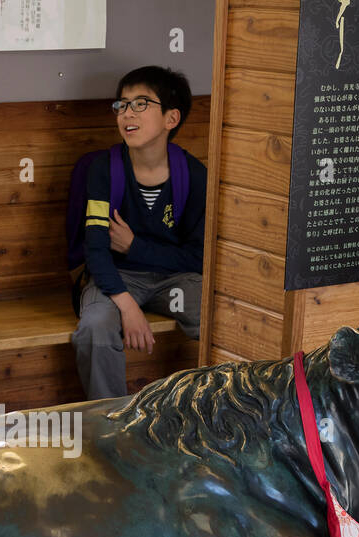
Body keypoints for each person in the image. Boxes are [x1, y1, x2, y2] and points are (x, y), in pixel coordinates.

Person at [73, 65, 208, 400]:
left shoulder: (193, 175)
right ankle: (112, 426)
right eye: (122, 104)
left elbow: (198, 256)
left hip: (175, 279)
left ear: (171, 119)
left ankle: (217, 411)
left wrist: (135, 246)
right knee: (95, 328)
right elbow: (96, 248)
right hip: (115, 278)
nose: (126, 113)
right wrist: (127, 305)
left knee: (221, 315)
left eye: (141, 104)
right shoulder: (104, 169)